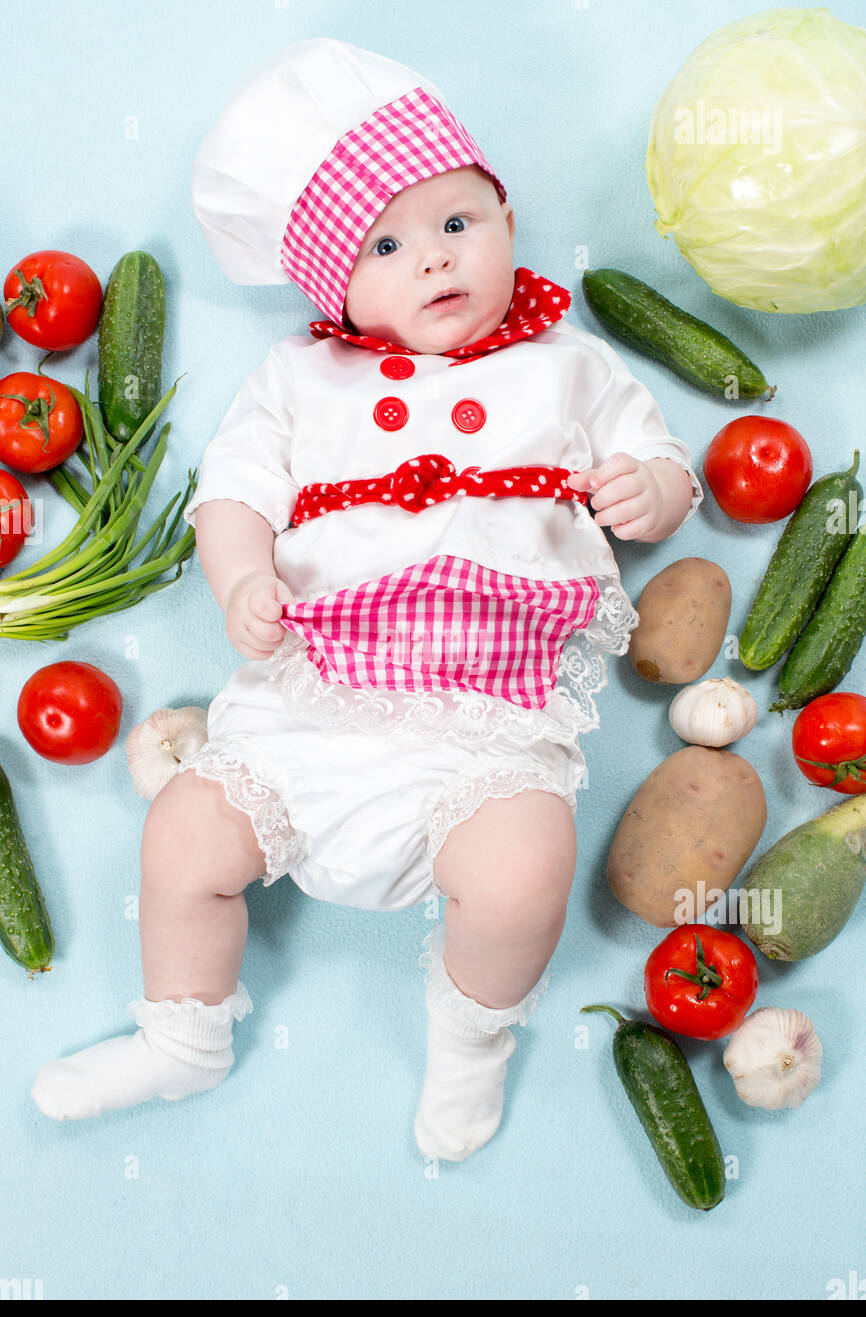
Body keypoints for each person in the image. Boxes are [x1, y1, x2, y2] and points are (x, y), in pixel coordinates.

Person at [31, 38, 701, 1161]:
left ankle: (469, 1028)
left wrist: (652, 489)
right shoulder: (300, 379)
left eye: (456, 223)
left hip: (485, 718)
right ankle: (183, 1036)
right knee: (184, 835)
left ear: (501, 211)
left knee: (524, 876)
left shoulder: (564, 363)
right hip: (313, 702)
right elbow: (233, 498)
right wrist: (243, 577)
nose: (433, 260)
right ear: (332, 284)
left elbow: (661, 456)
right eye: (384, 246)